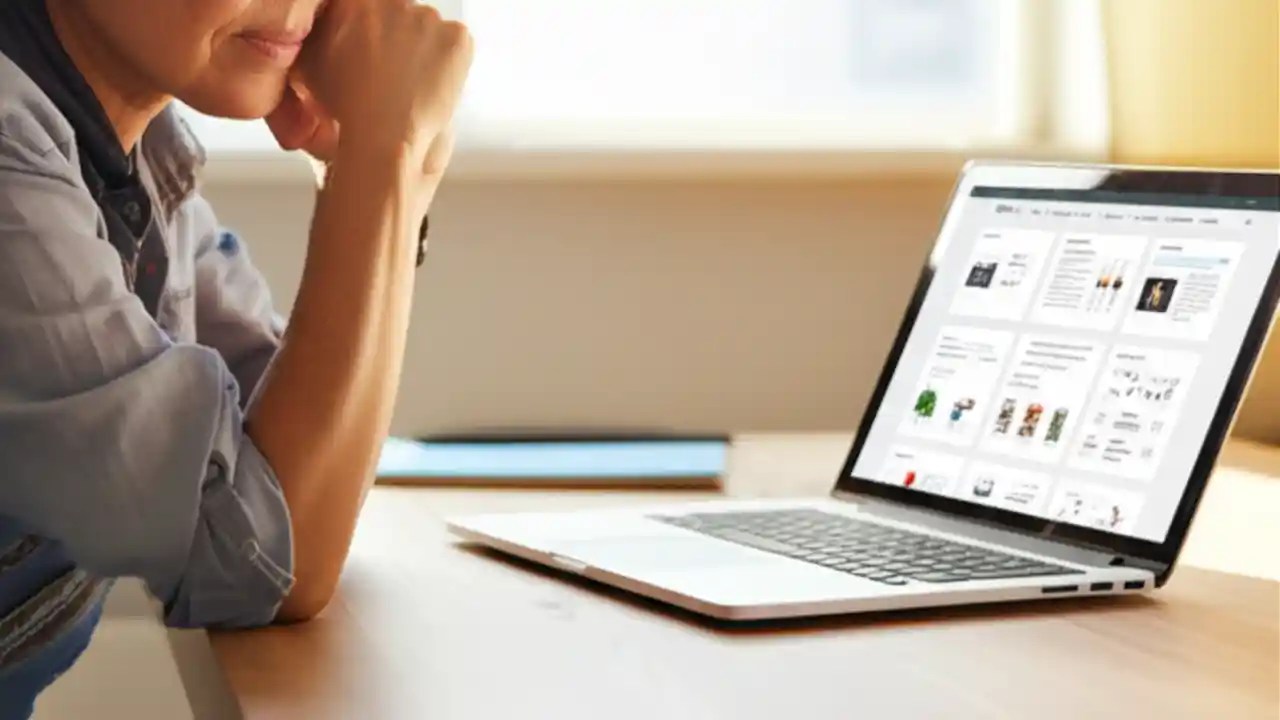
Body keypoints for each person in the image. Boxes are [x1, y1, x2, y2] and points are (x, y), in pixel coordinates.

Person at [0, 0, 472, 713]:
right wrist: (381, 153)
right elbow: (265, 560)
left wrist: (400, 162)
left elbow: (298, 470)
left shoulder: (140, 142)